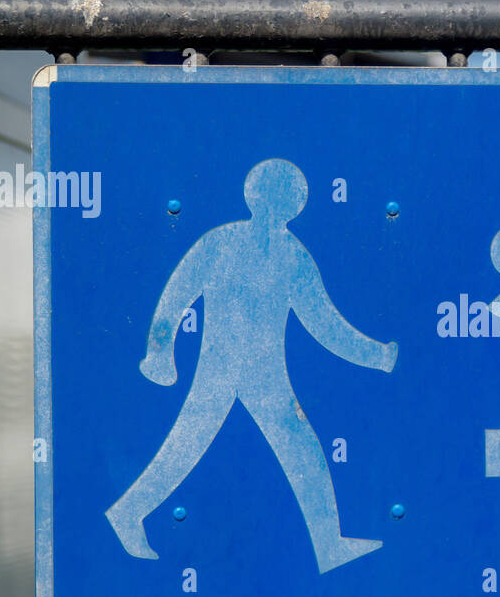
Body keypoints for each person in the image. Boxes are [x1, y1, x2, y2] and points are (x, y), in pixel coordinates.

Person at [105, 159, 396, 572]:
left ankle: (330, 545)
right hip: (225, 371)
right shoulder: (240, 246)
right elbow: (178, 293)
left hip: (261, 375)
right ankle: (126, 513)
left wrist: (377, 355)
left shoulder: (267, 250)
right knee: (191, 449)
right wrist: (159, 352)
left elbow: (325, 324)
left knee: (295, 450)